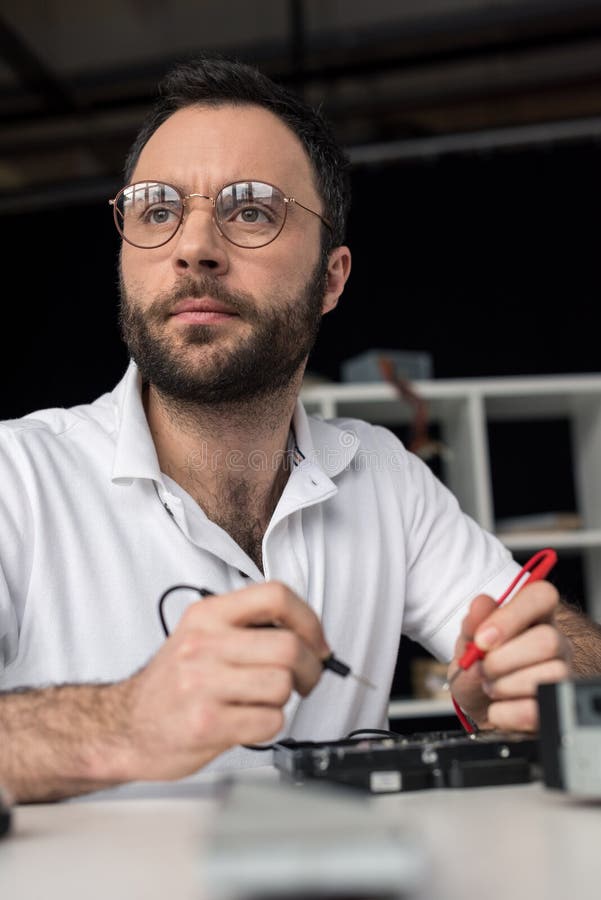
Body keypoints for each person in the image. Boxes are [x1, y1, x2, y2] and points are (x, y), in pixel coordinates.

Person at [1, 54, 600, 804]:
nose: (193, 246)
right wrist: (123, 722)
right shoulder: (16, 478)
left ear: (331, 278)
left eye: (251, 210)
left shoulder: (385, 477)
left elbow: (567, 653)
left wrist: (542, 677)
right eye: (157, 210)